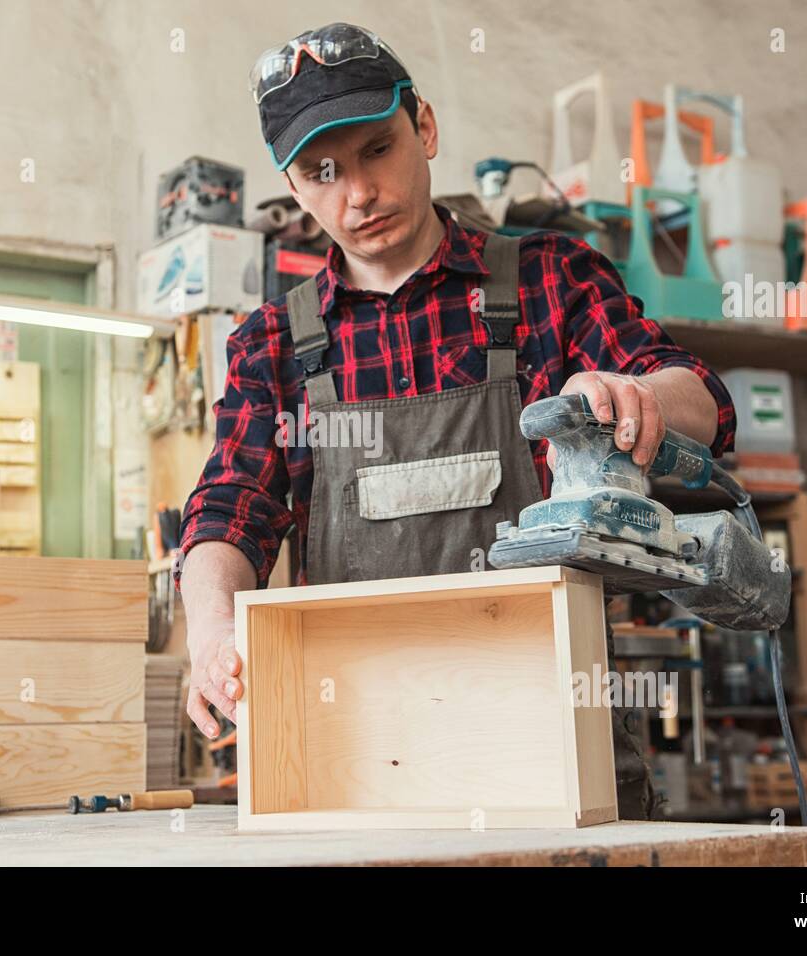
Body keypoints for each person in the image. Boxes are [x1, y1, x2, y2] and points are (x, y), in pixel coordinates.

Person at [174, 23, 735, 816]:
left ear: (424, 128)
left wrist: (637, 394)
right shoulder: (271, 346)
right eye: (322, 173)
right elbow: (229, 513)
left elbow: (702, 401)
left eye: (377, 150)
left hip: (558, 756)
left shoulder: (551, 280)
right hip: (358, 767)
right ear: (294, 188)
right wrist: (209, 635)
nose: (358, 193)